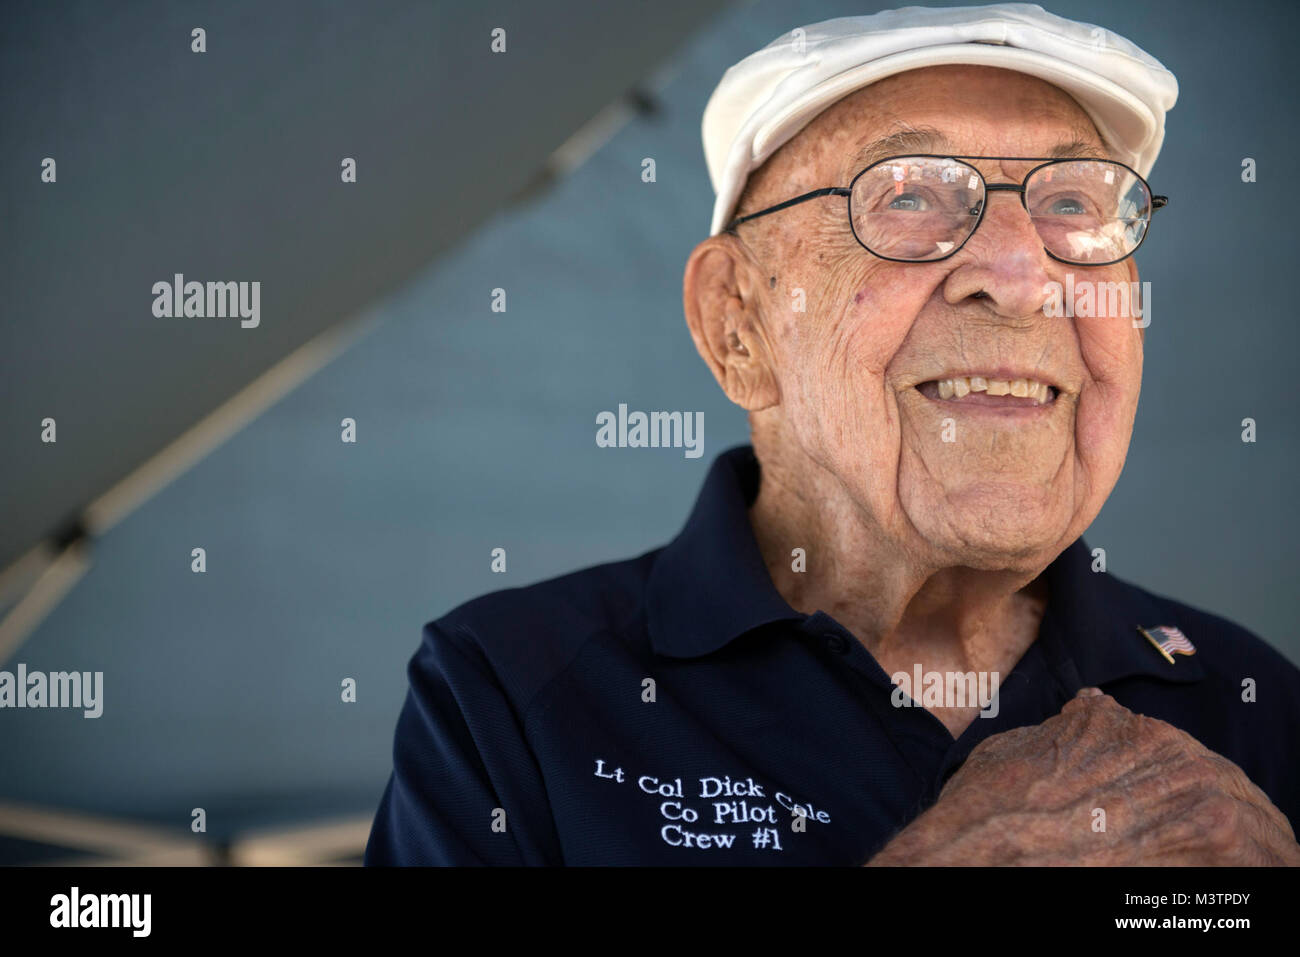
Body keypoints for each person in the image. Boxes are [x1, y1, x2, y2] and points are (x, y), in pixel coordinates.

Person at [366, 3, 1300, 865]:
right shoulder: (512, 693)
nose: (1023, 274)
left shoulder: (1250, 698)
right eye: (908, 197)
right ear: (737, 322)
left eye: (1074, 206)